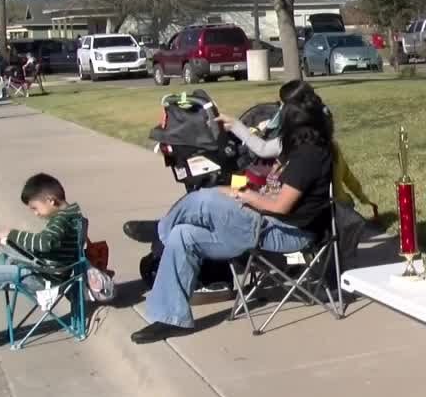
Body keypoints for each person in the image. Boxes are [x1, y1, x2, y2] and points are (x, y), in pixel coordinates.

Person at [131, 81, 335, 344]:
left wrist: (244, 195)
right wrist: (234, 128)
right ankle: (171, 318)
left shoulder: (309, 156)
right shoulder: (296, 142)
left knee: (203, 200)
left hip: (284, 232)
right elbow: (263, 149)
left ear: (293, 117)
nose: (278, 113)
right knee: (183, 234)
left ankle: (159, 230)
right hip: (263, 221)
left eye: (283, 108)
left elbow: (280, 207)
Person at [215, 80, 378, 218]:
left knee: (229, 187)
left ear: (293, 113)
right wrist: (364, 199)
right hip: (320, 209)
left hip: (302, 214)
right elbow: (348, 176)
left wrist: (235, 125)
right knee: (235, 183)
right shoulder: (326, 146)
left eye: (283, 106)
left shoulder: (302, 149)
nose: (280, 111)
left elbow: (262, 150)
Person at [0, 174, 86, 352]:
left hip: (40, 278)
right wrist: (11, 243)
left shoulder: (61, 220)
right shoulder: (73, 214)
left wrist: (11, 233)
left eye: (35, 208)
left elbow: (45, 242)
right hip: (47, 272)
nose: (35, 213)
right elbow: (49, 245)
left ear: (51, 200)